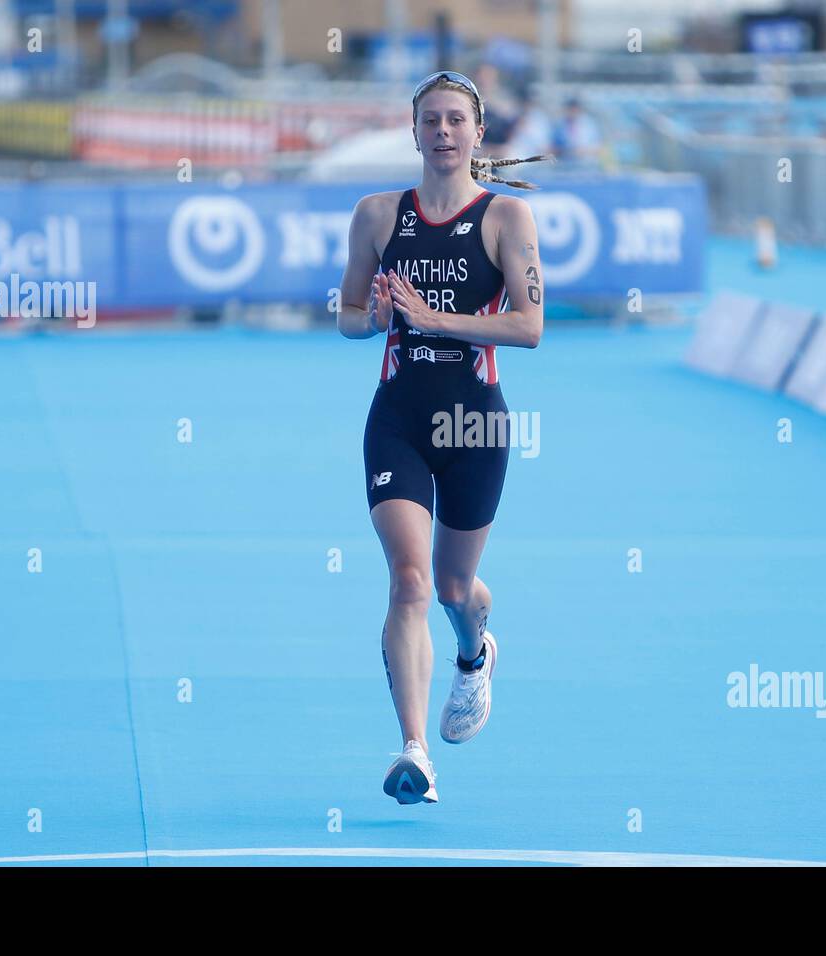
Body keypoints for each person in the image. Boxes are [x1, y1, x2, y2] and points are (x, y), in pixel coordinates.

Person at [336, 71, 549, 805]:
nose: (444, 132)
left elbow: (529, 328)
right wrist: (382, 316)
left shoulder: (505, 222)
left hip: (475, 423)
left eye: (457, 120)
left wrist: (435, 319)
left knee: (455, 587)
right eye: (431, 120)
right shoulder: (375, 215)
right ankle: (415, 752)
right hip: (397, 417)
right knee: (411, 579)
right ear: (415, 130)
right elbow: (349, 315)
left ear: (477, 133)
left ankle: (474, 652)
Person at [553, 95, 603, 169]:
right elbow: (554, 148)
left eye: (574, 109)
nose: (572, 111)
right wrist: (567, 151)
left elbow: (598, 148)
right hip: (566, 165)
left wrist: (583, 151)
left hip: (587, 165)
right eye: (570, 109)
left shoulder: (589, 125)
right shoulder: (560, 126)